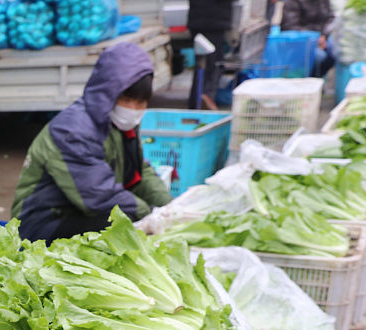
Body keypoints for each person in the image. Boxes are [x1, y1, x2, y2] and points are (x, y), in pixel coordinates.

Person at [12, 42, 173, 243]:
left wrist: (170, 208)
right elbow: (97, 195)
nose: (133, 108)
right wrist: (149, 213)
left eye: (141, 102)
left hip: (81, 213)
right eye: (127, 99)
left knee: (133, 223)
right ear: (109, 92)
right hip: (43, 222)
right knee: (127, 225)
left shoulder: (121, 125)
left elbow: (141, 171)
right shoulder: (72, 130)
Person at [187, 0, 233, 110]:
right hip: (214, 22)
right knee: (212, 66)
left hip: (198, 20)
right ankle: (205, 99)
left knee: (202, 64)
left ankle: (197, 102)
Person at [281, 0, 336, 78]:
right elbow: (289, 26)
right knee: (319, 56)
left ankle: (317, 79)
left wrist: (324, 35)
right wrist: (314, 39)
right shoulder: (292, 2)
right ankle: (309, 79)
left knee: (334, 53)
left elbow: (330, 18)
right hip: (299, 42)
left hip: (320, 37)